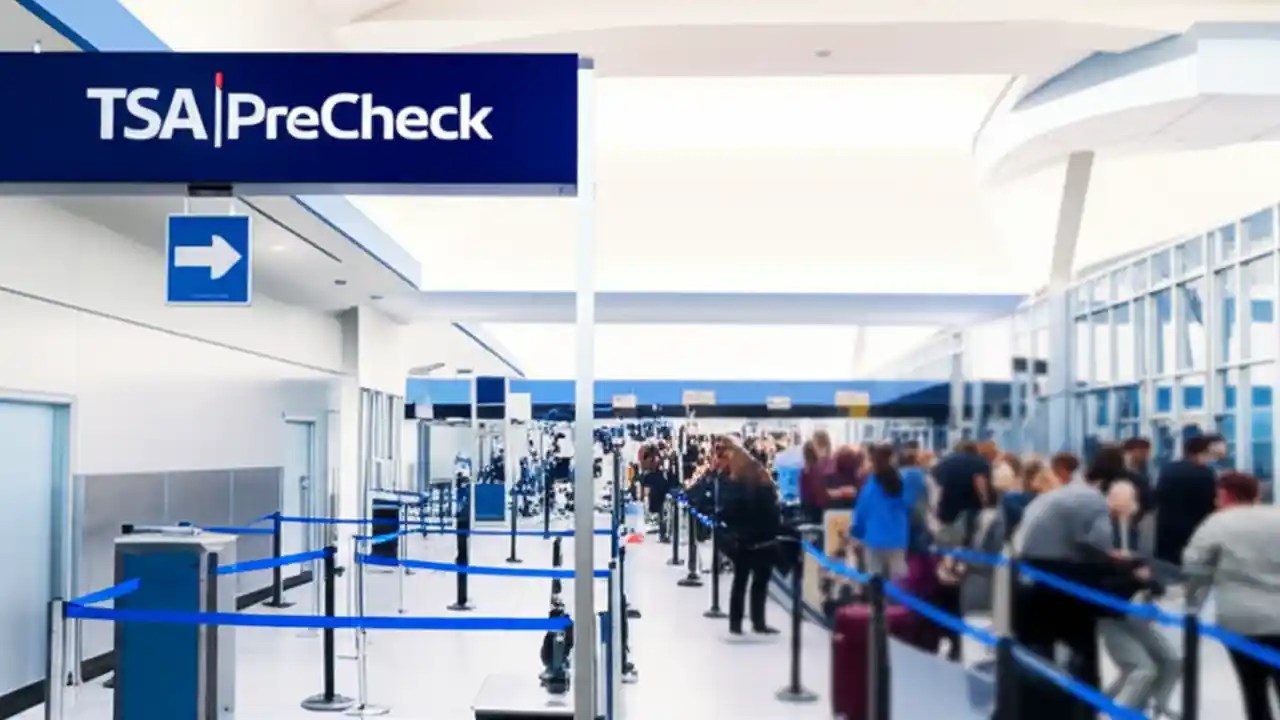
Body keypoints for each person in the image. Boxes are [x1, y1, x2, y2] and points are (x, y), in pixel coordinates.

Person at [1012, 452, 1154, 718]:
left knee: (1037, 651)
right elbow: (1099, 547)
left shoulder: (1063, 496)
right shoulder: (1094, 502)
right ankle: (1080, 710)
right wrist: (1128, 566)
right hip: (1060, 582)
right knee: (1082, 651)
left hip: (1029, 576)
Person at [1183, 471, 1280, 720]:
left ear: (1225, 495)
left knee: (1253, 691)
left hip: (1241, 620)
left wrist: (1192, 604)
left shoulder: (1217, 523)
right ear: (1256, 493)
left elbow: (1193, 565)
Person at [1098, 480, 1181, 716]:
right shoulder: (1105, 530)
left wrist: (1150, 582)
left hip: (1133, 606)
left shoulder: (1132, 528)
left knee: (1169, 660)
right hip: (1114, 609)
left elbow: (1142, 564)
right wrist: (1138, 576)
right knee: (1141, 668)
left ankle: (1156, 706)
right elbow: (1112, 570)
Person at [720, 446, 780, 635]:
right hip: (764, 540)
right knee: (760, 582)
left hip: (743, 541)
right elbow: (774, 514)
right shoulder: (766, 487)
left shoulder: (736, 486)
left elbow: (727, 513)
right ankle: (758, 621)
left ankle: (735, 622)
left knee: (740, 581)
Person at [1154, 435, 1218, 568]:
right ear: (1202, 453)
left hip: (1167, 525)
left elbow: (1159, 494)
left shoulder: (1168, 469)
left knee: (1167, 566)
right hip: (1194, 527)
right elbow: (1210, 502)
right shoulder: (1205, 473)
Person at [851, 444, 913, 580]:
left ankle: (877, 594)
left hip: (874, 541)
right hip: (897, 540)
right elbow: (909, 507)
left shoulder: (870, 487)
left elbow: (861, 513)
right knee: (899, 583)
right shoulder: (902, 483)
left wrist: (857, 533)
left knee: (874, 580)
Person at [932, 440, 994, 541]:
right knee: (970, 539)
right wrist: (987, 505)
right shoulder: (982, 463)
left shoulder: (942, 463)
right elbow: (981, 486)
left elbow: (934, 486)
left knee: (946, 539)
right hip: (972, 508)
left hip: (946, 507)